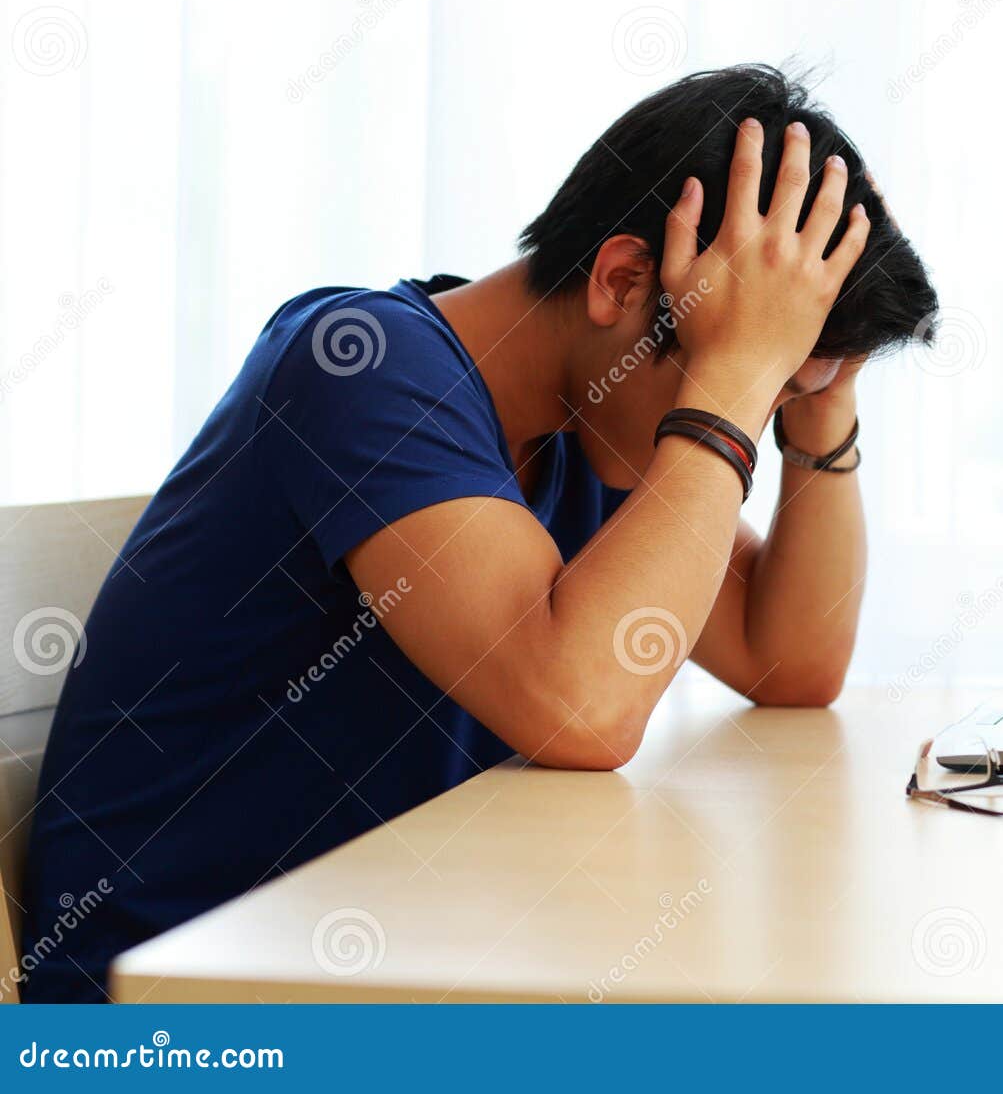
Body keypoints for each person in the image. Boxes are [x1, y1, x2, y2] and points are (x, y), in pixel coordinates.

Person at [20, 64, 938, 1001]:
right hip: (167, 1015)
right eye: (747, 373)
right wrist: (737, 379)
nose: (747, 408)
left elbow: (789, 661)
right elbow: (582, 707)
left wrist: (822, 397)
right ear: (623, 280)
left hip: (381, 975)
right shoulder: (361, 366)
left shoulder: (594, 431)